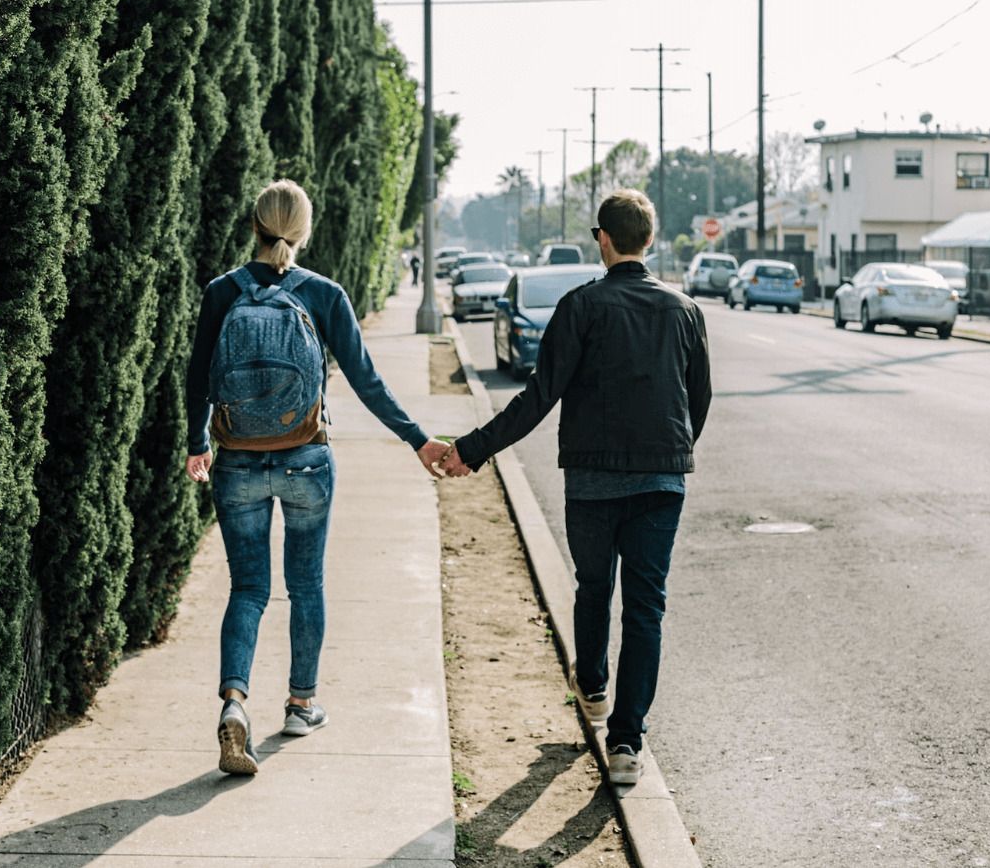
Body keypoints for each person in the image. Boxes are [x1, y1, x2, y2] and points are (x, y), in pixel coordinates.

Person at [440, 189, 711, 785]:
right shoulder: (685, 310)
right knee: (647, 609)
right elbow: (700, 400)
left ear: (603, 239)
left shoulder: (581, 307)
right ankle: (626, 746)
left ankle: (591, 687)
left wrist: (471, 449)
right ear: (650, 239)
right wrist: (669, 452)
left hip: (592, 480)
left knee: (593, 587)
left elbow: (540, 397)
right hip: (663, 481)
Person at [185, 179, 449, 776]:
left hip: (239, 462)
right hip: (307, 459)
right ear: (304, 231)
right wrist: (417, 439)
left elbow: (198, 376)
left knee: (248, 589)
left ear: (254, 225)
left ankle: (234, 702)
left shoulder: (222, 292)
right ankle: (302, 704)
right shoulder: (325, 294)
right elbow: (366, 380)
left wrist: (197, 442)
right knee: (305, 585)